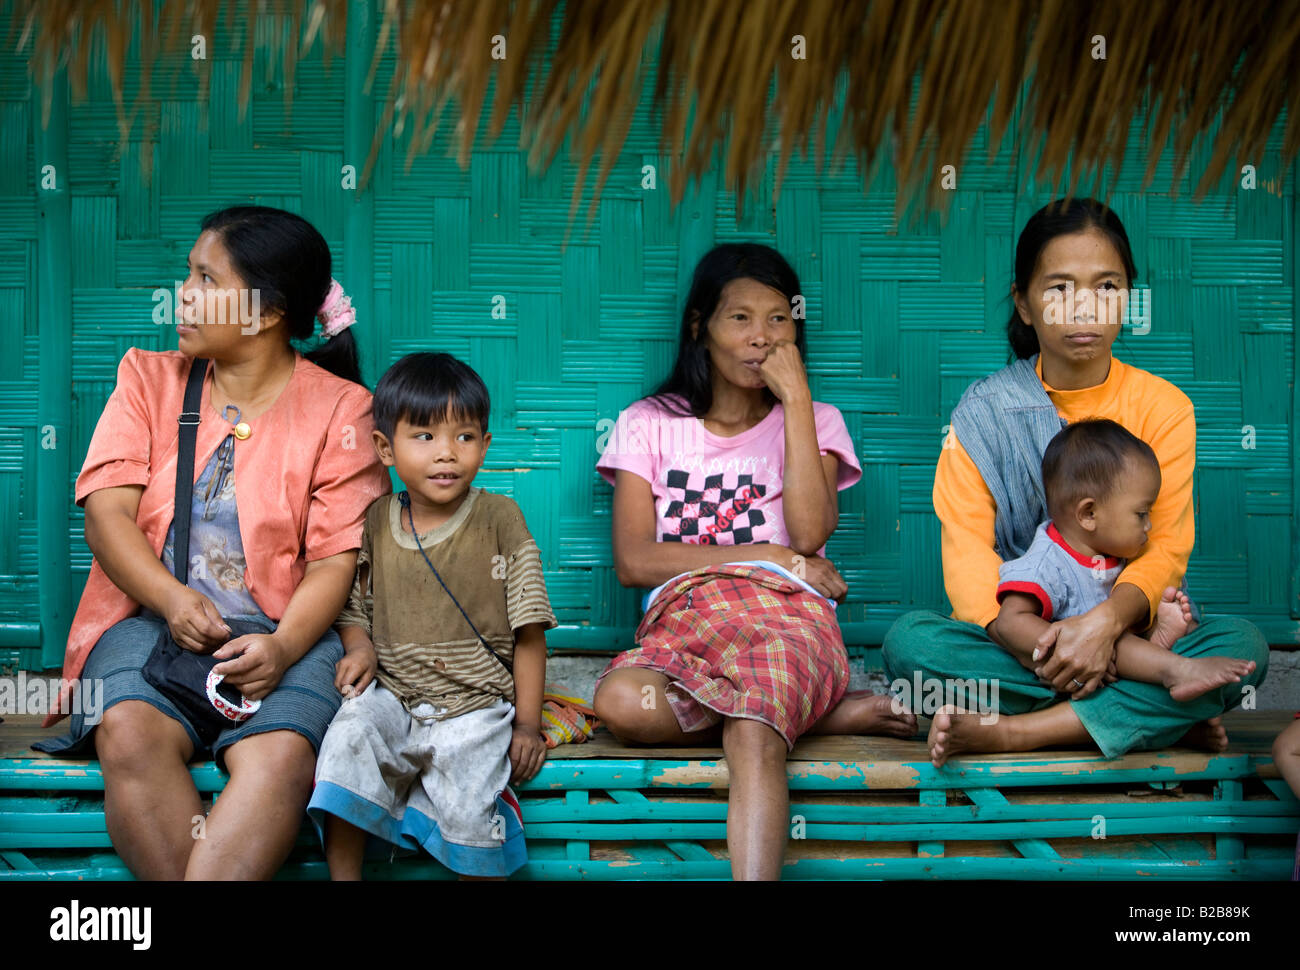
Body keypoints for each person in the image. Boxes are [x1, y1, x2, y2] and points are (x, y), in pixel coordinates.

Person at [33, 205, 390, 880]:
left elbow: (336, 560)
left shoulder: (343, 410)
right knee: (129, 730)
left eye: (206, 278)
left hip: (289, 633)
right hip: (152, 621)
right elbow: (106, 515)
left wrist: (283, 647)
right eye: (187, 274)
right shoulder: (148, 379)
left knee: (281, 752)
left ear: (265, 311)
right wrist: (170, 599)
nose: (184, 294)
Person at [882, 196, 1268, 767]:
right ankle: (1156, 714)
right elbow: (968, 566)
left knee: (1242, 648)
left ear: (1128, 298)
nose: (1082, 308)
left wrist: (1104, 626)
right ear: (1025, 303)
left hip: (1133, 630)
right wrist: (1061, 644)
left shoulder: (1164, 407)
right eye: (1059, 288)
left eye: (1106, 286)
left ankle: (1020, 733)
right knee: (911, 645)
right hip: (1023, 641)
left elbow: (1165, 547)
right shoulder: (983, 414)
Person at [593, 243, 916, 880]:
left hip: (785, 614)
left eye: (778, 320)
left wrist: (795, 403)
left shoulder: (818, 420)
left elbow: (813, 528)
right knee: (622, 704)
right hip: (686, 616)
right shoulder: (647, 424)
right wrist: (768, 553)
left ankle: (772, 720)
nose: (761, 338)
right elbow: (633, 560)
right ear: (699, 327)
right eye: (740, 318)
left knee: (749, 732)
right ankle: (818, 713)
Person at [307, 352, 556, 879]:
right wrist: (360, 647)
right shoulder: (376, 520)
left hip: (476, 705)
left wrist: (528, 725)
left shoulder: (500, 519)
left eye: (464, 437)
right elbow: (352, 606)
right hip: (394, 695)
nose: (447, 454)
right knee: (350, 735)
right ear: (384, 448)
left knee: (470, 799)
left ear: (485, 446)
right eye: (424, 437)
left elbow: (529, 629)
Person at [993, 419, 1256, 703]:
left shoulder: (1117, 555)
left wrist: (1154, 626)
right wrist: (1069, 648)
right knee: (1121, 645)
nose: (1149, 526)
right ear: (1089, 514)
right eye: (1141, 514)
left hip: (1112, 675)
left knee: (1230, 641)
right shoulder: (1048, 562)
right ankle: (1177, 672)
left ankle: (1162, 654)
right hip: (1067, 677)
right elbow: (1009, 622)